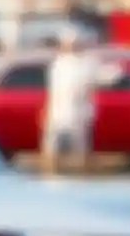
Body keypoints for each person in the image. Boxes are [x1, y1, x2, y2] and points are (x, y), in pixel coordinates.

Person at [42, 27, 99, 176]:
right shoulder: (58, 64)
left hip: (79, 113)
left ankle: (84, 177)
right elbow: (54, 92)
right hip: (57, 113)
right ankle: (51, 176)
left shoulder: (86, 64)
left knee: (81, 148)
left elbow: (93, 83)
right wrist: (47, 113)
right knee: (51, 148)